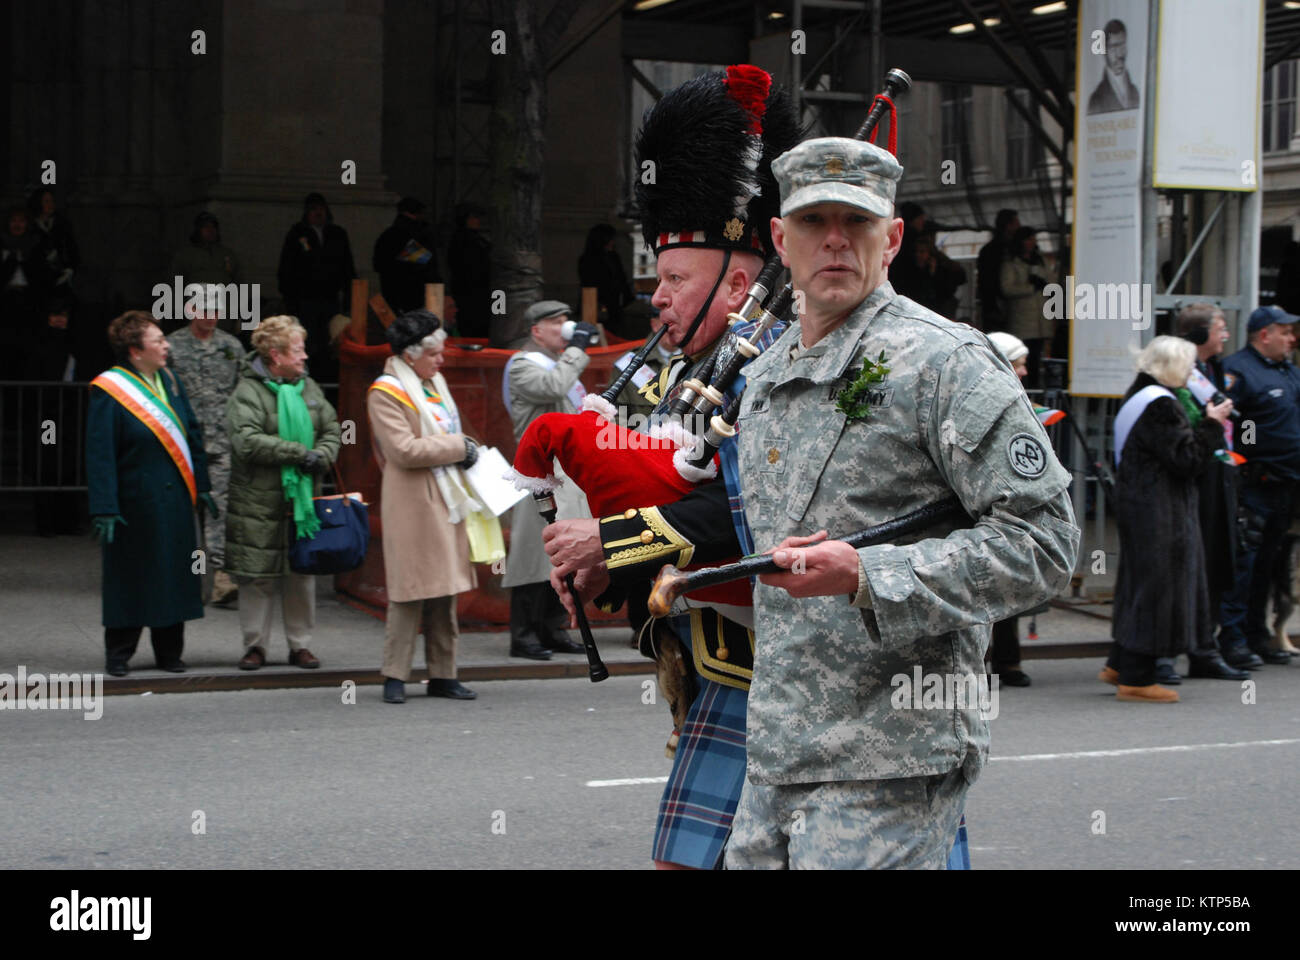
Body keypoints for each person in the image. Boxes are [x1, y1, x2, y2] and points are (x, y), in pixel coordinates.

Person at [721, 136, 1078, 869]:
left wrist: (869, 574)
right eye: (814, 220)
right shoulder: (765, 377)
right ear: (778, 240)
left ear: (893, 238)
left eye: (856, 222)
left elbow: (1045, 547)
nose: (834, 240)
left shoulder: (945, 362)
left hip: (891, 754)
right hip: (780, 751)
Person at [542, 65, 801, 870]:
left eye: (674, 279)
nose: (656, 296)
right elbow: (673, 494)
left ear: (741, 284)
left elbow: (755, 511)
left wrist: (611, 542)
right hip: (713, 659)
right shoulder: (685, 373)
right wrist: (608, 570)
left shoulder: (782, 370)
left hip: (786, 674)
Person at [1101, 337, 1234, 702]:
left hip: (1141, 504)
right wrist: (1211, 425)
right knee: (1158, 588)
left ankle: (1120, 662)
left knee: (1139, 583)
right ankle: (1137, 678)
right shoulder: (1162, 405)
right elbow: (1188, 460)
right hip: (1161, 510)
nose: (1192, 374)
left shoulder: (1139, 393)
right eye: (1188, 366)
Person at [86, 311, 216, 675]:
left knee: (174, 572)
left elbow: (191, 434)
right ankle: (119, 653)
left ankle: (169, 652)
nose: (166, 345)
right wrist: (104, 506)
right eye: (158, 340)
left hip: (175, 498)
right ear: (134, 350)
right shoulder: (110, 389)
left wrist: (202, 484)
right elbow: (100, 454)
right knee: (132, 575)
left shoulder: (170, 381)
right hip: (134, 501)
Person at [367, 309, 482, 703]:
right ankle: (394, 676)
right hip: (413, 503)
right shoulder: (385, 390)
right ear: (411, 353)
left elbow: (446, 433)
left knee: (444, 591)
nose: (441, 359)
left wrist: (464, 447)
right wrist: (459, 447)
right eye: (435, 352)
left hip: (444, 498)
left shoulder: (433, 382)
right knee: (409, 591)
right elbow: (403, 450)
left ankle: (443, 674)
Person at [225, 314, 341, 670]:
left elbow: (332, 428)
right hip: (257, 501)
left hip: (301, 499)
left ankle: (300, 645)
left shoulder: (310, 388)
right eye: (298, 350)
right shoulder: (247, 391)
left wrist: (322, 454)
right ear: (275, 356)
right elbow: (245, 441)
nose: (305, 357)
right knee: (257, 575)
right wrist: (297, 452)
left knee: (300, 573)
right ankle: (255, 646)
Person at [501, 300, 598, 660]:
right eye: (556, 323)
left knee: (562, 553)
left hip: (564, 470)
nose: (565, 328)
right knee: (532, 552)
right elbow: (551, 387)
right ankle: (522, 634)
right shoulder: (523, 365)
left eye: (566, 321)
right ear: (536, 330)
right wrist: (577, 350)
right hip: (536, 469)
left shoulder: (560, 362)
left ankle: (552, 627)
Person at [1162, 303, 1246, 682]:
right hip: (1193, 478)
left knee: (1217, 559)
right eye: (1220, 327)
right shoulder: (1182, 371)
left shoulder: (1215, 369)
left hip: (1219, 472)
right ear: (1198, 335)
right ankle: (1166, 650)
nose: (1225, 333)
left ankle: (1204, 648)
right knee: (1185, 563)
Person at [1217, 306, 1300, 669]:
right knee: (1244, 564)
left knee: (1269, 564)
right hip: (1254, 484)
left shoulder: (1289, 371)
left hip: (1287, 485)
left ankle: (1257, 634)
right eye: (1286, 332)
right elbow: (1226, 427)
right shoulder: (1238, 371)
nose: (1292, 338)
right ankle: (1231, 639)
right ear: (1264, 334)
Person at [168, 285, 246, 605]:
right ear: (190, 310)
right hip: (182, 443)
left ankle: (221, 578)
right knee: (180, 510)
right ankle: (179, 578)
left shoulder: (231, 346)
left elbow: (244, 391)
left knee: (220, 508)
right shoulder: (171, 346)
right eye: (203, 309)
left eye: (215, 310)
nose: (211, 316)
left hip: (220, 441)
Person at [985, 332, 1034, 687]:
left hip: (1009, 505)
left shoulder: (1016, 398)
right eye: (1019, 364)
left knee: (1008, 583)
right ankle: (984, 660)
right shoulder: (980, 395)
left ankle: (1007, 660)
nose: (1025, 372)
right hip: (982, 503)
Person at [276, 193, 355, 380]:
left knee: (331, 342)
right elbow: (287, 268)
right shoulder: (297, 234)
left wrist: (349, 299)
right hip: (305, 300)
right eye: (313, 209)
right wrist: (291, 300)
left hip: (330, 299)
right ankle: (306, 378)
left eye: (321, 209)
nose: (318, 213)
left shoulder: (337, 234)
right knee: (307, 341)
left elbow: (347, 267)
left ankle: (327, 380)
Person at [999, 226, 1054, 389]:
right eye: (1028, 239)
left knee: (1037, 359)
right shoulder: (1010, 263)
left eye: (1033, 240)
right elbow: (1006, 288)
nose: (1032, 243)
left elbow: (1053, 281)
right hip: (1022, 320)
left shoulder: (1040, 260)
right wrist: (1030, 287)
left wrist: (1044, 282)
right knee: (1021, 358)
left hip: (1040, 319)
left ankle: (1035, 389)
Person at [168, 213, 241, 333]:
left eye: (213, 227)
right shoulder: (185, 255)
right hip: (196, 310)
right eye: (205, 227)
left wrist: (239, 313)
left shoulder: (227, 255)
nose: (210, 231)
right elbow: (174, 284)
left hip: (223, 314)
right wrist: (176, 312)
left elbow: (239, 284)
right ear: (198, 230)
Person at [372, 197, 442, 315]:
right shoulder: (414, 234)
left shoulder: (390, 235)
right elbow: (426, 267)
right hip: (415, 296)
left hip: (394, 295)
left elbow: (379, 264)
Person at [578, 224, 634, 336]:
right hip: (597, 303)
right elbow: (589, 282)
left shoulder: (613, 256)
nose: (613, 242)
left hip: (614, 303)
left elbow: (621, 278)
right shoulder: (589, 259)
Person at [447, 204, 492, 339]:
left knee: (497, 316)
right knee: (475, 326)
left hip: (491, 291)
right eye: (473, 217)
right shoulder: (462, 240)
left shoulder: (478, 239)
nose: (477, 221)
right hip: (474, 293)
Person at [1086, 19, 1140, 115]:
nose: (1119, 54)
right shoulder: (1096, 100)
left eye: (1122, 46)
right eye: (1113, 47)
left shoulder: (1135, 92)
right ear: (1105, 52)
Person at [977, 209, 1018, 330]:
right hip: (999, 305)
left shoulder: (990, 249)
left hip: (998, 305)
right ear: (1008, 225)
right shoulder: (996, 250)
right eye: (1016, 223)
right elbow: (987, 280)